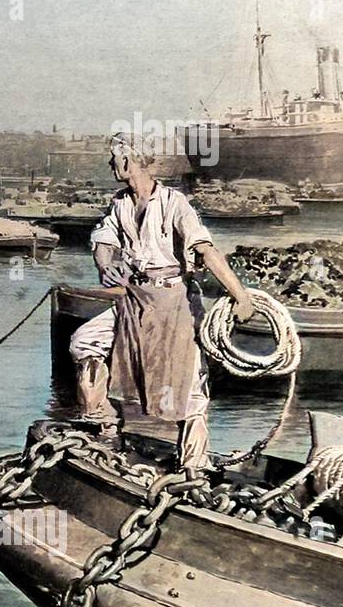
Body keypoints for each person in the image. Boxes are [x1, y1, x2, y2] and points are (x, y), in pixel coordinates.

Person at [68, 134, 255, 474]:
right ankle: (103, 427)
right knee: (85, 341)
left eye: (114, 159)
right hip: (136, 300)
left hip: (175, 301)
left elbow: (204, 250)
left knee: (190, 383)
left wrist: (241, 296)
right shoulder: (120, 203)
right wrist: (105, 265)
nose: (111, 165)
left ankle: (194, 464)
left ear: (128, 162)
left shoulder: (174, 203)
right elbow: (103, 241)